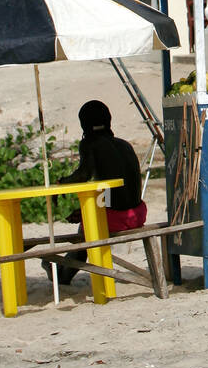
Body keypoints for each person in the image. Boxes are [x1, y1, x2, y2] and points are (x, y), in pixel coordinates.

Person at [42, 99, 146, 287]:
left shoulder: (90, 144)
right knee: (89, 218)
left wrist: (60, 183)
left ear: (83, 124)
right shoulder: (124, 144)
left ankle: (64, 273)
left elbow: (82, 175)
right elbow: (114, 190)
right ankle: (64, 268)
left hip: (118, 218)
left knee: (87, 228)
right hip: (137, 214)